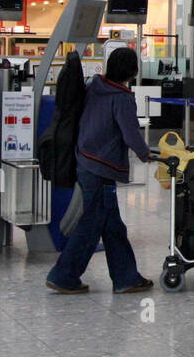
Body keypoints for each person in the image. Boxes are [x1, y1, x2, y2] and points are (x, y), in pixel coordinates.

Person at [46, 48, 153, 294]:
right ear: (132, 70)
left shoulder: (95, 87)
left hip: (85, 159)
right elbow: (130, 133)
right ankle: (63, 275)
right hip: (102, 167)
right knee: (91, 224)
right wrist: (145, 154)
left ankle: (127, 277)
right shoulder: (122, 97)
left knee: (112, 226)